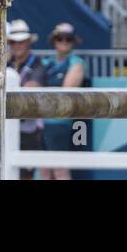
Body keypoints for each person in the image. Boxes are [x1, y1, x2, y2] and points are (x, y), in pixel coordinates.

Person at [42, 22, 89, 180]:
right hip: (43, 123)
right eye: (60, 38)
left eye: (68, 39)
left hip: (62, 122)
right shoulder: (46, 62)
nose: (63, 41)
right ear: (54, 40)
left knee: (60, 169)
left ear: (73, 41)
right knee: (45, 169)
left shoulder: (77, 63)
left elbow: (65, 92)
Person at [5, 20, 47, 180]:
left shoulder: (37, 64)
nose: (17, 45)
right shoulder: (6, 64)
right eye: (13, 42)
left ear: (29, 42)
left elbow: (33, 89)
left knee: (26, 176)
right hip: (7, 128)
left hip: (29, 131)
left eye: (21, 42)